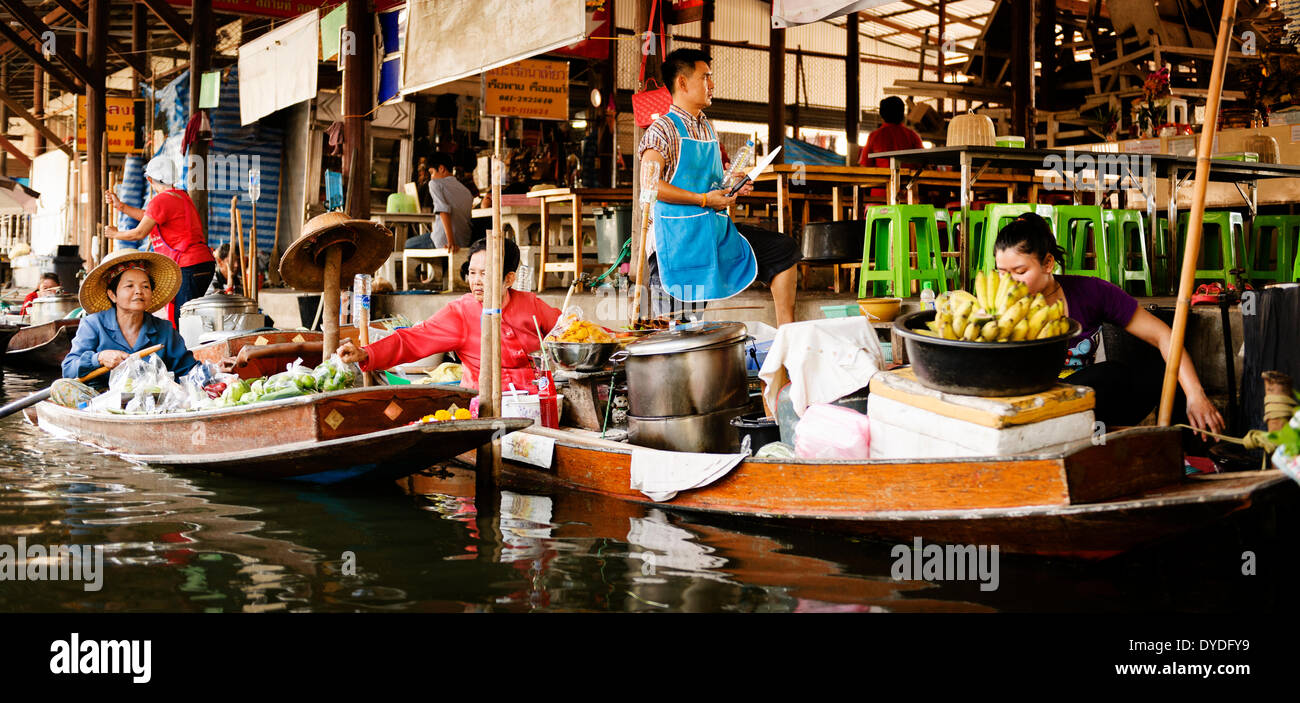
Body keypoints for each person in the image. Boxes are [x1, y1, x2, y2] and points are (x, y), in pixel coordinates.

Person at [993, 213, 1225, 434]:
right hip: (1032, 411)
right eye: (1002, 272)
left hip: (1090, 404)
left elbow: (1163, 336)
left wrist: (1196, 395)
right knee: (1108, 375)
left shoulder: (1090, 291)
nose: (1010, 282)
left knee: (1156, 368)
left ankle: (1183, 454)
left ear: (1048, 263)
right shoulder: (995, 310)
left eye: (1020, 271)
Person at [639, 48, 799, 326]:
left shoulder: (707, 128)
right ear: (682, 83)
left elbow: (708, 182)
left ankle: (788, 338)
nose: (711, 84)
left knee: (783, 250)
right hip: (676, 241)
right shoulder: (662, 130)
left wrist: (731, 184)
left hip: (712, 232)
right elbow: (650, 185)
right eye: (705, 77)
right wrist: (703, 200)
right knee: (677, 333)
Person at [336, 237, 561, 391]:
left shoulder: (530, 304)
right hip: (485, 404)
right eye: (472, 273)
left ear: (509, 279)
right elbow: (414, 339)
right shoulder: (461, 312)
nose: (477, 281)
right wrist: (366, 354)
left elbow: (567, 331)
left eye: (485, 273)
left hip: (537, 399)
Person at [103, 156, 216, 325]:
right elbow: (148, 217)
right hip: (204, 264)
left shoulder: (161, 200)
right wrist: (121, 206)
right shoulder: (181, 197)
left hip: (187, 266)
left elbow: (139, 233)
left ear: (149, 179)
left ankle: (182, 351)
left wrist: (115, 234)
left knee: (182, 321)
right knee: (189, 318)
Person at [62, 249, 196, 383]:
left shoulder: (164, 329)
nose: (139, 291)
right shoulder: (93, 324)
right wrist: (99, 358)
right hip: (101, 399)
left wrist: (210, 372)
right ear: (112, 295)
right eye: (129, 286)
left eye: (145, 286)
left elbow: (187, 370)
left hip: (152, 399)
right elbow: (68, 369)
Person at [405, 152, 474, 254]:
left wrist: (451, 242)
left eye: (432, 172)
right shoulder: (466, 191)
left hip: (444, 241)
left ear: (441, 168)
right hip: (465, 242)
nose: (431, 177)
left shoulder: (435, 184)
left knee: (405, 245)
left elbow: (444, 212)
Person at [858, 96, 924, 201]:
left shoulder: (874, 136)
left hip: (879, 197)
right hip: (908, 197)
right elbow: (923, 165)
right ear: (903, 114)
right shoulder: (912, 136)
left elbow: (864, 167)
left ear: (881, 115)